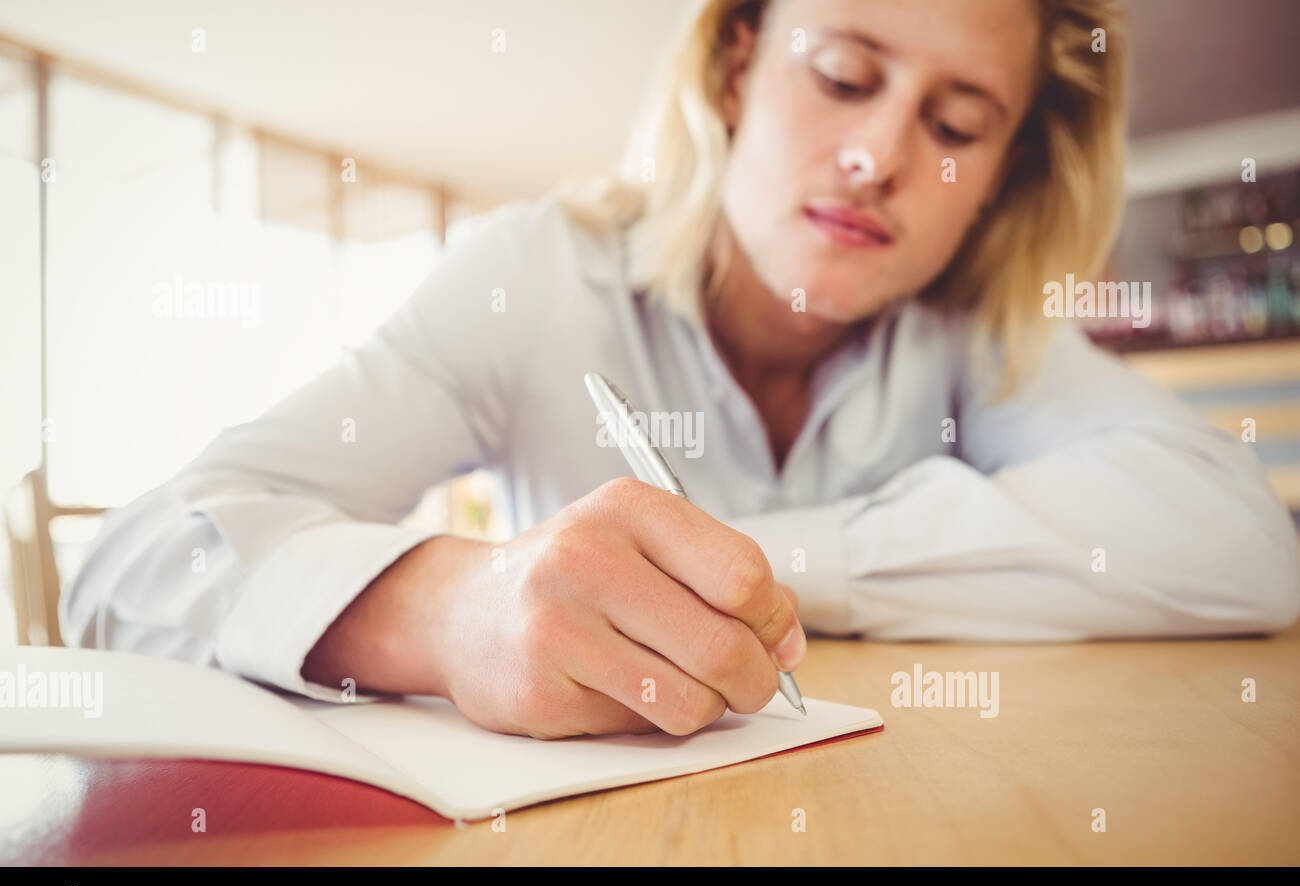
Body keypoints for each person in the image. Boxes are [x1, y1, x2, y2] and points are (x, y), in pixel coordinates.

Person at [63, 0, 1299, 739]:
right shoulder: (535, 277)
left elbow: (1237, 538)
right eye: (844, 77)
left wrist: (767, 563)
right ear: (734, 68)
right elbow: (135, 565)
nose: (878, 155)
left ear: (996, 178)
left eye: (955, 124)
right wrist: (451, 607)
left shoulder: (971, 329)